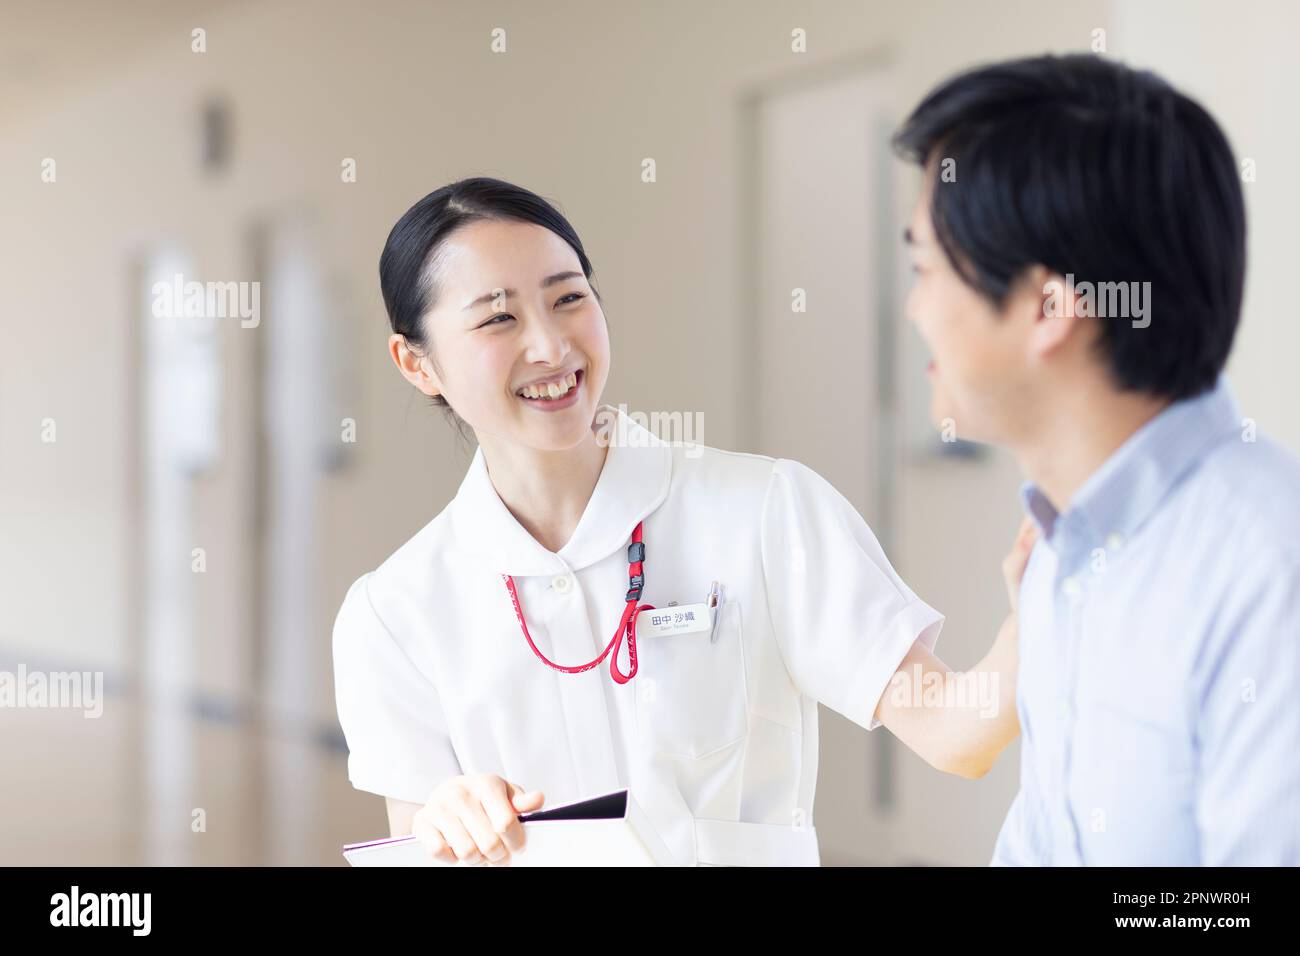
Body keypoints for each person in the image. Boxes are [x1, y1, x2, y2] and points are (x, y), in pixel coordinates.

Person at [332, 177, 1026, 866]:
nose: (550, 346)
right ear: (416, 363)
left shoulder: (764, 512)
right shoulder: (392, 614)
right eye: (497, 318)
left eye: (569, 298)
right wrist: (450, 820)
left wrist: (1041, 606)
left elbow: (958, 734)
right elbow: (420, 842)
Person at [894, 53, 1300, 865]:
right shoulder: (1056, 556)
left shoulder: (1269, 567)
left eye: (924, 269)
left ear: (1050, 309)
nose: (914, 308)